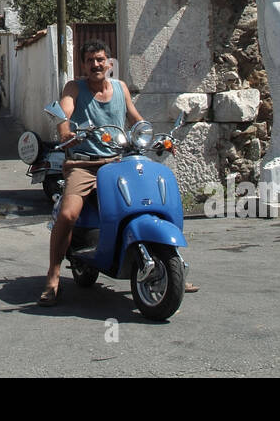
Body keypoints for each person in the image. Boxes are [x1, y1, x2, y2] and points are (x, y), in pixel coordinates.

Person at [38, 41, 198, 306]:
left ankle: (172, 266)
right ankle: (53, 277)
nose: (96, 64)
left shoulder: (120, 87)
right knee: (68, 214)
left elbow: (135, 118)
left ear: (109, 63)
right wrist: (66, 132)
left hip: (118, 161)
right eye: (90, 60)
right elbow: (64, 112)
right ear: (83, 65)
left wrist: (154, 136)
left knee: (152, 204)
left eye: (100, 59)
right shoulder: (74, 88)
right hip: (85, 164)